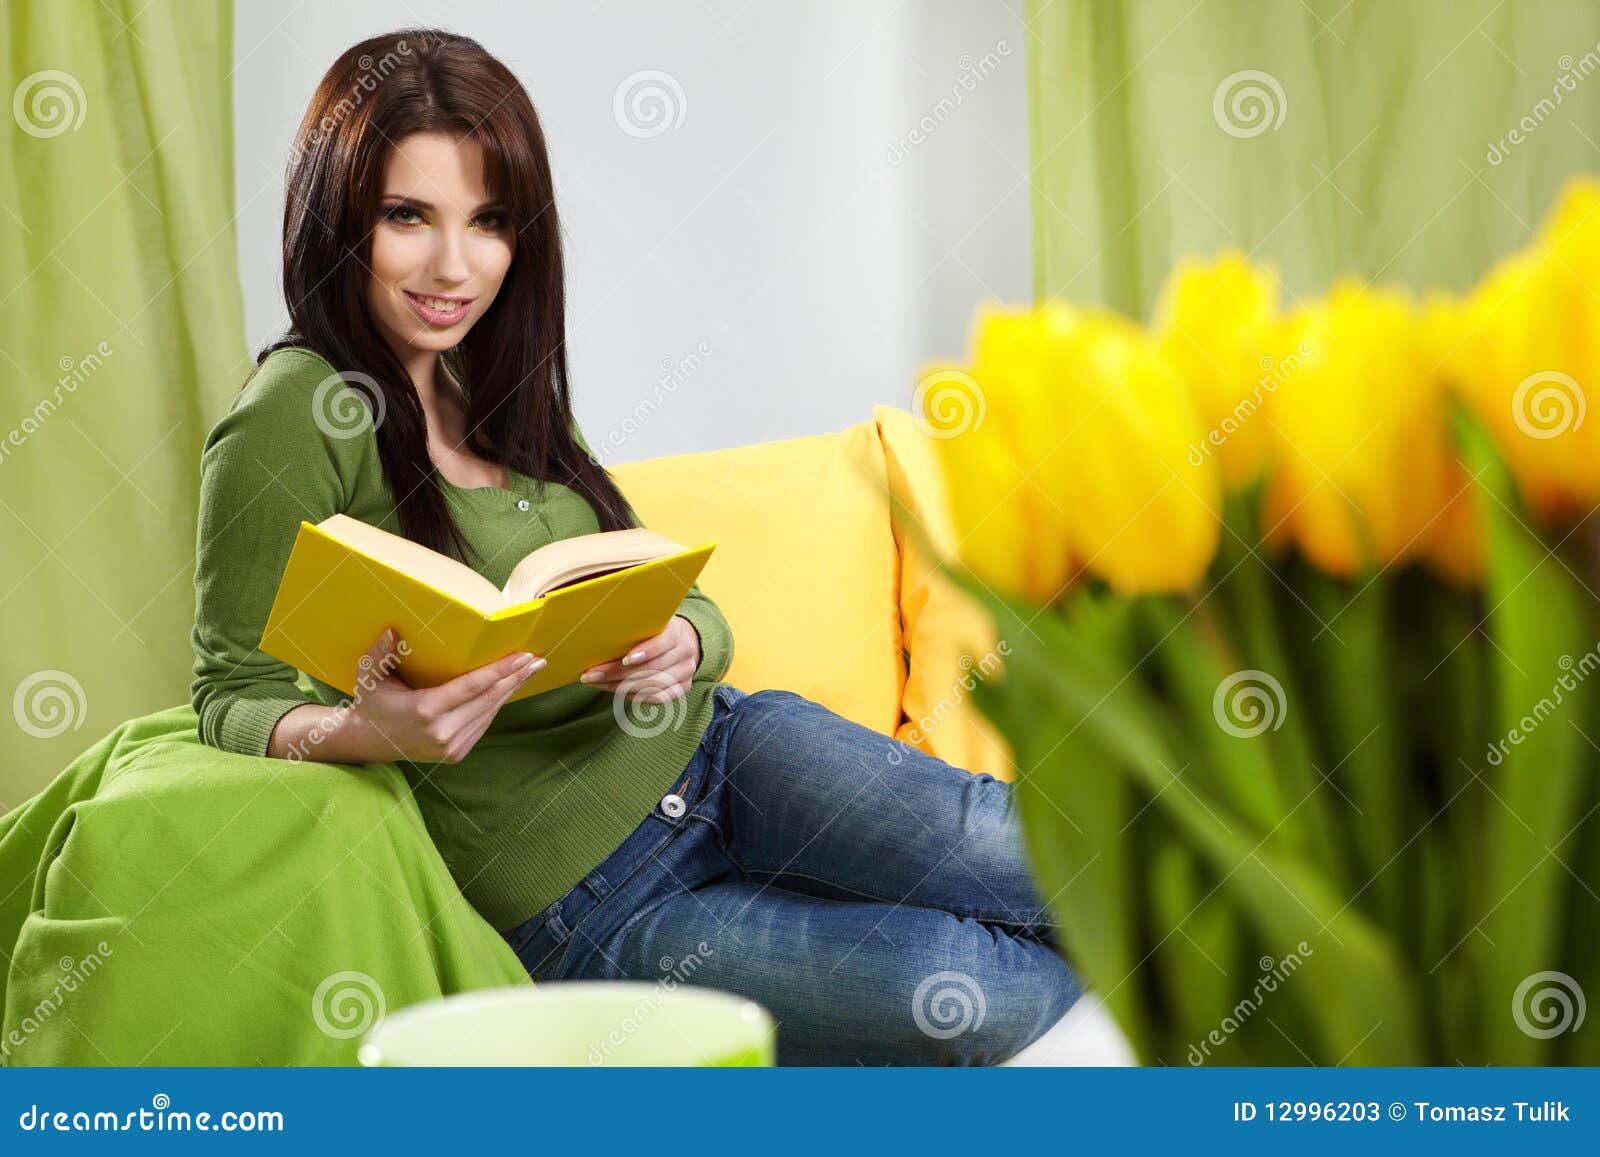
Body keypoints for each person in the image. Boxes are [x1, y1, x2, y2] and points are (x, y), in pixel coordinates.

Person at [191, 27, 1080, 1065]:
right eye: (407, 218)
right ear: (340, 214)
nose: (453, 266)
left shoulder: (496, 381)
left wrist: (684, 645)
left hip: (725, 751)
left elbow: (672, 590)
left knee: (1040, 857)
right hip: (591, 906)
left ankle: (1272, 949)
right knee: (970, 994)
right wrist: (368, 731)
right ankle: (1185, 982)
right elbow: (225, 691)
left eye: (489, 222)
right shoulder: (294, 411)